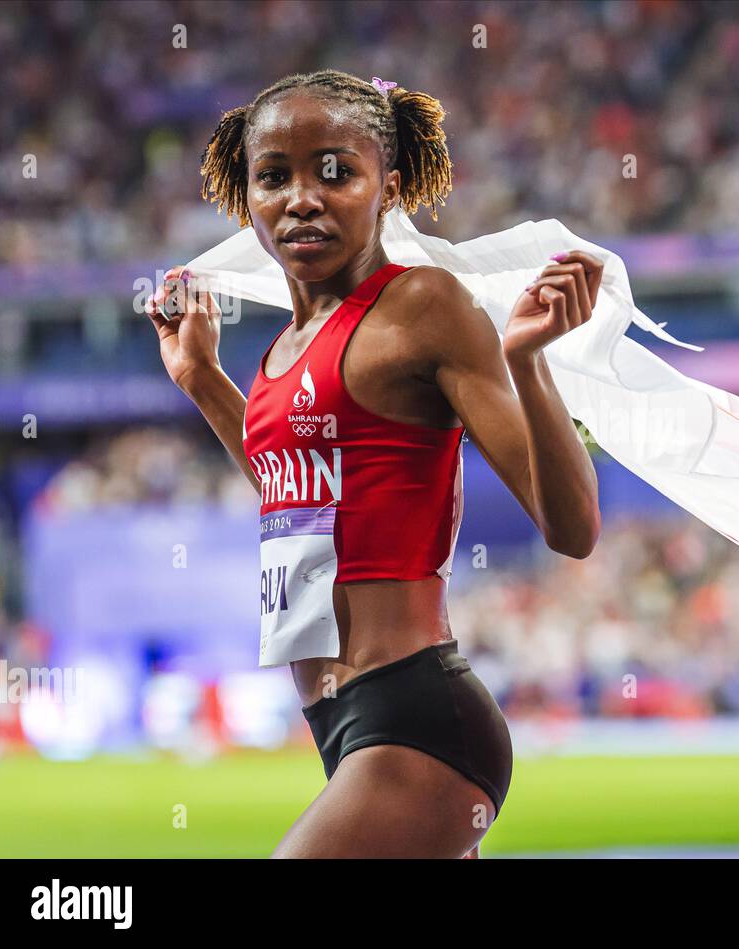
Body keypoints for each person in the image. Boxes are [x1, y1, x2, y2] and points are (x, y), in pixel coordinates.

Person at [144, 69, 602, 858]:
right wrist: (202, 381)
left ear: (387, 188)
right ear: (245, 197)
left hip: (418, 719)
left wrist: (527, 363)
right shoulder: (279, 353)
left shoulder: (423, 305)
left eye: (335, 171)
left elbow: (573, 527)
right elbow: (310, 509)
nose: (301, 198)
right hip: (341, 725)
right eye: (273, 177)